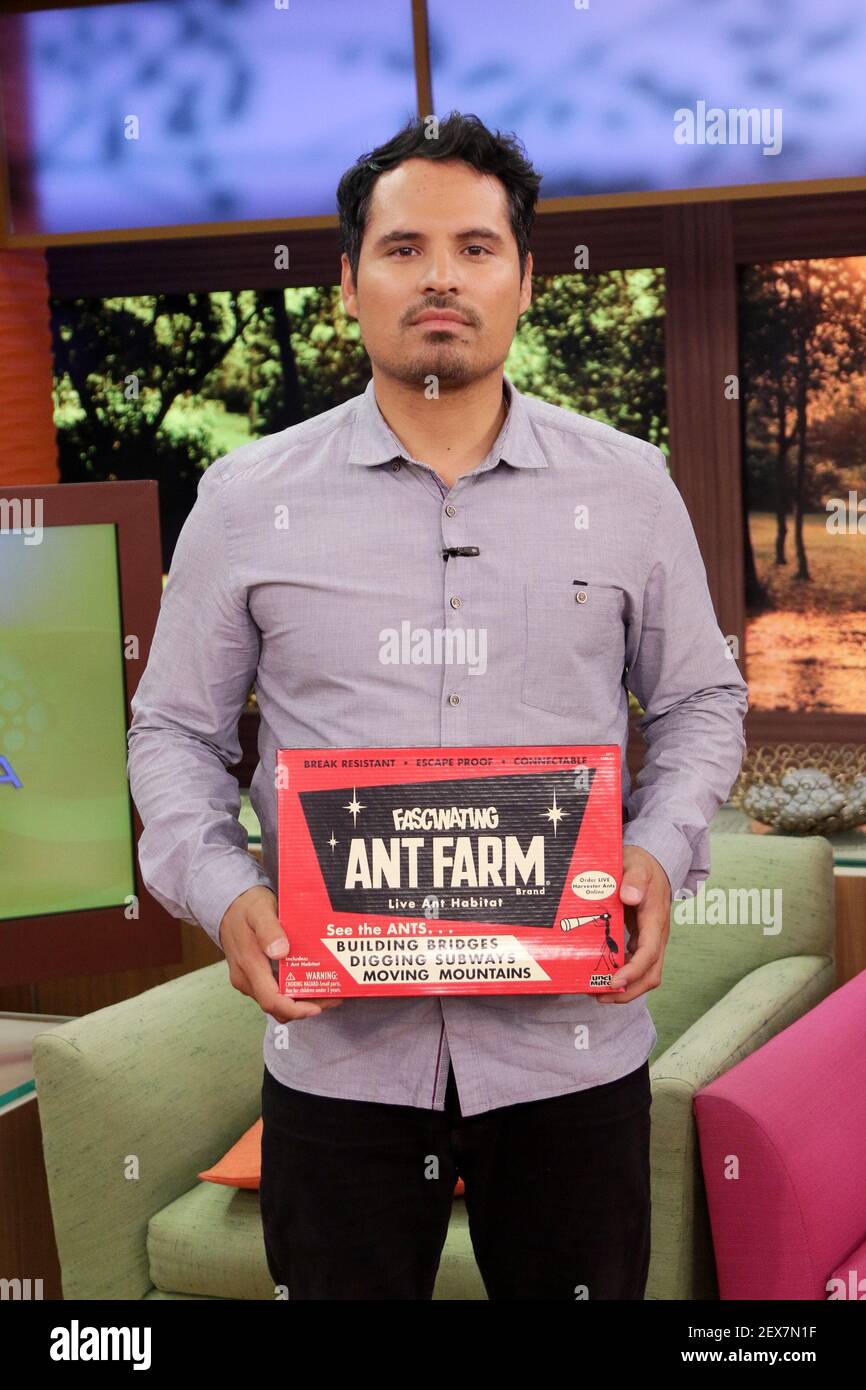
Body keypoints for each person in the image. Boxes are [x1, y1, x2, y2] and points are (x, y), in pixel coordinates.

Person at [126, 111, 749, 1301]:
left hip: (569, 1058)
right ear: (347, 284)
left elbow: (700, 698)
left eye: (475, 246)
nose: (440, 277)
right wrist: (226, 893)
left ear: (523, 280)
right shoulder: (247, 497)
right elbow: (172, 731)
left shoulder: (626, 485)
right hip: (339, 1067)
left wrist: (659, 854)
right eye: (402, 247)